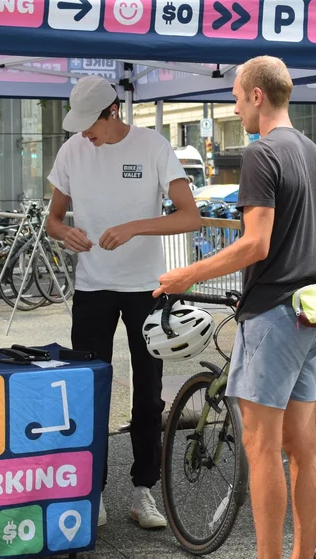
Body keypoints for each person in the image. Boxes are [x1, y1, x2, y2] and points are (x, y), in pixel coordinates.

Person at [155, 56, 316, 559]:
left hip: (274, 316)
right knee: (303, 446)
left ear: (257, 95)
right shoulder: (310, 151)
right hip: (309, 313)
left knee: (261, 448)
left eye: (235, 96)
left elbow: (256, 244)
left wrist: (185, 274)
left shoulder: (262, 153)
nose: (234, 106)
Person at [45, 75, 200, 529]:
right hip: (92, 287)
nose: (83, 134)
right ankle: (90, 492)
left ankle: (142, 491)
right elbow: (54, 218)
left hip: (145, 288)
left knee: (148, 397)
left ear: (113, 112)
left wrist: (135, 226)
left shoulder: (153, 146)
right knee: (88, 391)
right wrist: (65, 231)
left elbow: (188, 216)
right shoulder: (72, 150)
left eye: (89, 123)